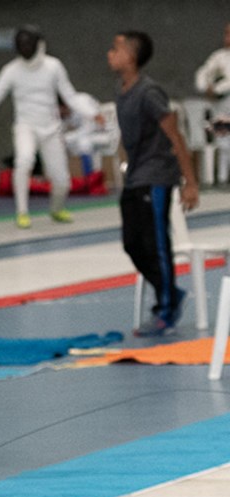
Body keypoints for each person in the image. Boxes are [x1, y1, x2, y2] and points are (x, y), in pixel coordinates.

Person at [109, 31, 199, 337]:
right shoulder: (122, 91)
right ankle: (171, 293)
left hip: (158, 177)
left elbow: (176, 136)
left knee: (158, 245)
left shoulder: (150, 93)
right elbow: (126, 135)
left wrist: (190, 183)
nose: (110, 54)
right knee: (132, 243)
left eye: (116, 49)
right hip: (135, 177)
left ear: (131, 57)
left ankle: (166, 309)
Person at [0, 25, 81, 228]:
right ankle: (22, 212)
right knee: (23, 161)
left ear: (38, 44)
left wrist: (92, 113)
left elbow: (69, 95)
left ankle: (57, 209)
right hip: (25, 126)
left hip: (51, 128)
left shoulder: (53, 66)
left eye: (28, 42)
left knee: (62, 180)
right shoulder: (11, 71)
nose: (24, 47)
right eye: (20, 43)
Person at [194, 23, 230, 184]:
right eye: (226, 33)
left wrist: (219, 88)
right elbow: (202, 74)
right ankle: (223, 178)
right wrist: (209, 88)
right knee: (222, 142)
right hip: (220, 104)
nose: (227, 38)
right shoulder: (218, 57)